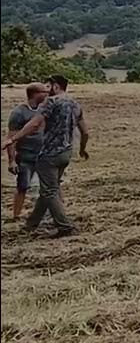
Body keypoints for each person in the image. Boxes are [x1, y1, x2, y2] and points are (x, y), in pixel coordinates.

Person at [2, 74, 90, 236]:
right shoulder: (75, 104)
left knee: (50, 191)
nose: (47, 90)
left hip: (49, 154)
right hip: (66, 153)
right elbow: (85, 132)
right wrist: (82, 149)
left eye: (49, 86)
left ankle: (65, 226)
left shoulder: (51, 102)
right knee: (47, 190)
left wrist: (13, 139)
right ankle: (30, 225)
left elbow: (35, 124)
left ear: (56, 86)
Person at [6, 82, 49, 222]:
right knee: (23, 186)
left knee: (51, 185)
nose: (47, 94)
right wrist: (12, 160)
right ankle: (16, 216)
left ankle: (54, 213)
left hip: (44, 155)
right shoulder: (19, 113)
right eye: (44, 92)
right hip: (26, 156)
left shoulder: (45, 110)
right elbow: (11, 138)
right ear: (35, 94)